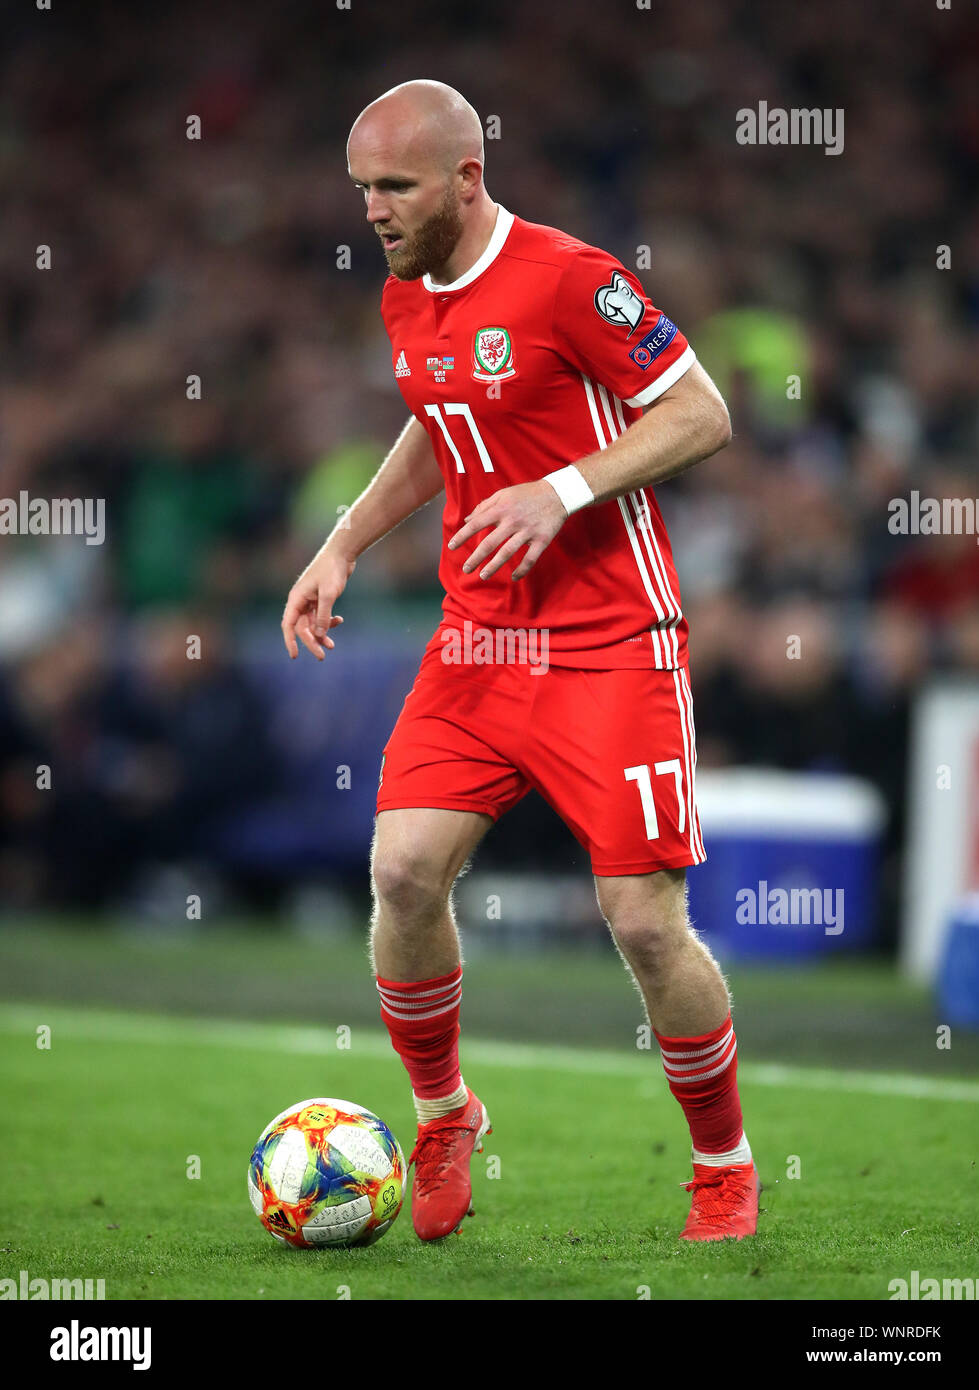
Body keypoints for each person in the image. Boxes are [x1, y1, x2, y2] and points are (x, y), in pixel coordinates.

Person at [281, 80, 758, 1243]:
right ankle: (444, 1112)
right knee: (401, 872)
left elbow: (700, 412)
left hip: (610, 642)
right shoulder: (408, 292)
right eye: (361, 191)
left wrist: (563, 487)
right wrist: (342, 542)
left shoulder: (570, 279)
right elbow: (437, 426)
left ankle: (723, 1164)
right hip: (477, 641)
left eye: (393, 188)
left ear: (466, 178)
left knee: (643, 922)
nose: (374, 212)